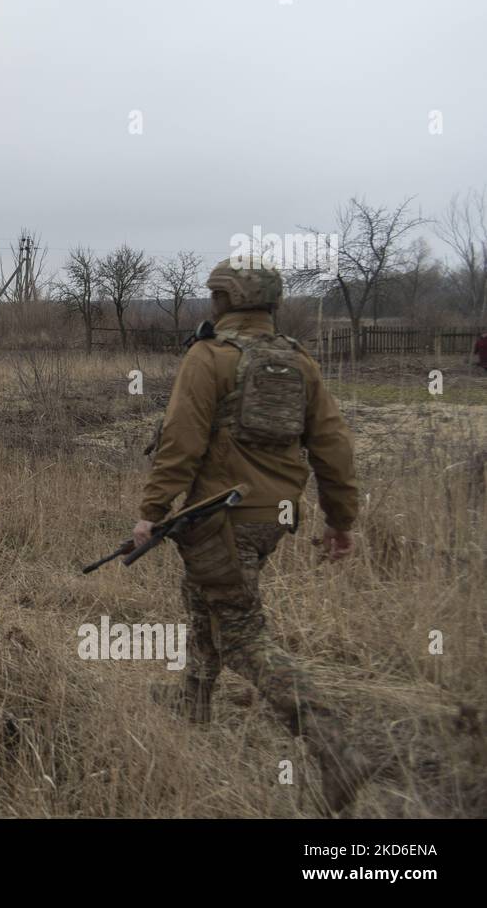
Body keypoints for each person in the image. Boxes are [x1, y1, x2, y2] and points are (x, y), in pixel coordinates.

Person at [134, 256, 379, 815]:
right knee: (206, 601)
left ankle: (332, 744)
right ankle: (192, 705)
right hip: (271, 518)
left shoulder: (209, 357)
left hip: (219, 515)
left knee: (241, 632)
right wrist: (341, 520)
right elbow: (333, 446)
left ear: (223, 301)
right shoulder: (299, 360)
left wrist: (151, 509)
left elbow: (181, 441)